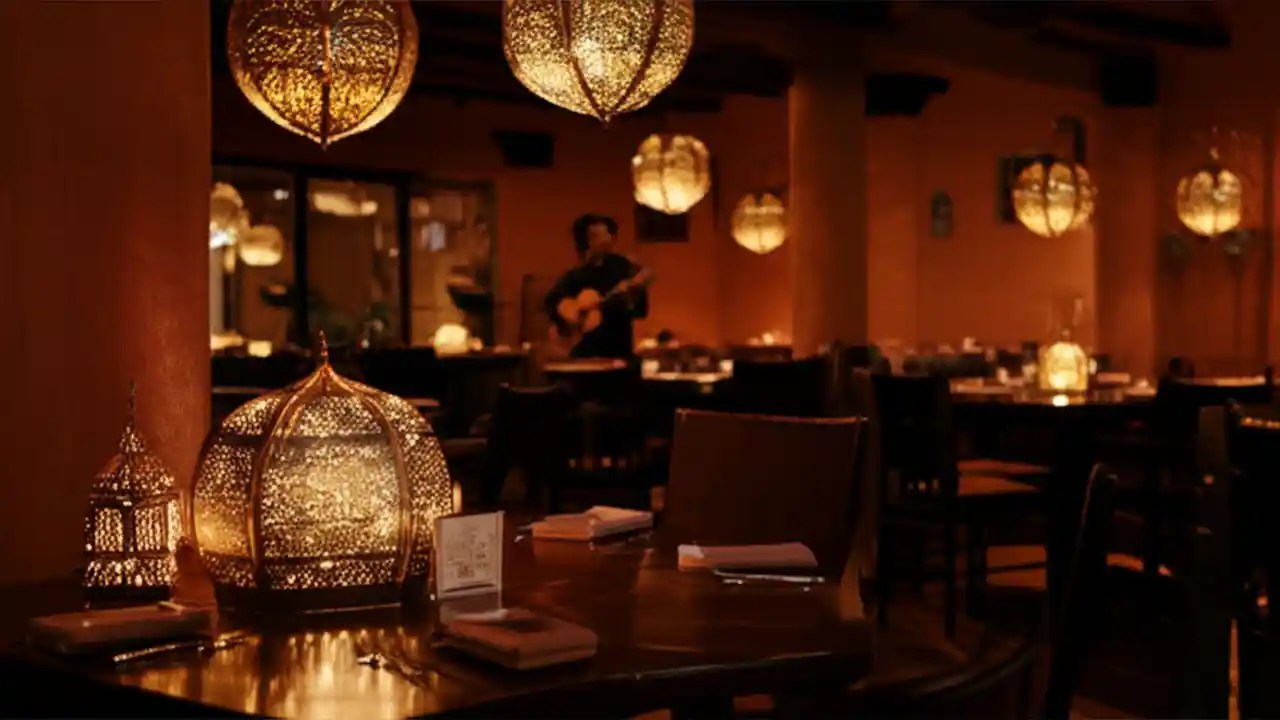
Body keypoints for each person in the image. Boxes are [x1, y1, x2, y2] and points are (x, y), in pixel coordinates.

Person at [544, 213, 651, 359]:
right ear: (585, 241)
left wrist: (631, 296)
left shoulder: (624, 268)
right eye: (598, 236)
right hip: (584, 353)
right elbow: (551, 304)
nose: (606, 240)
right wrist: (573, 316)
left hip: (618, 351)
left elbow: (641, 311)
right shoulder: (574, 275)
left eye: (607, 234)